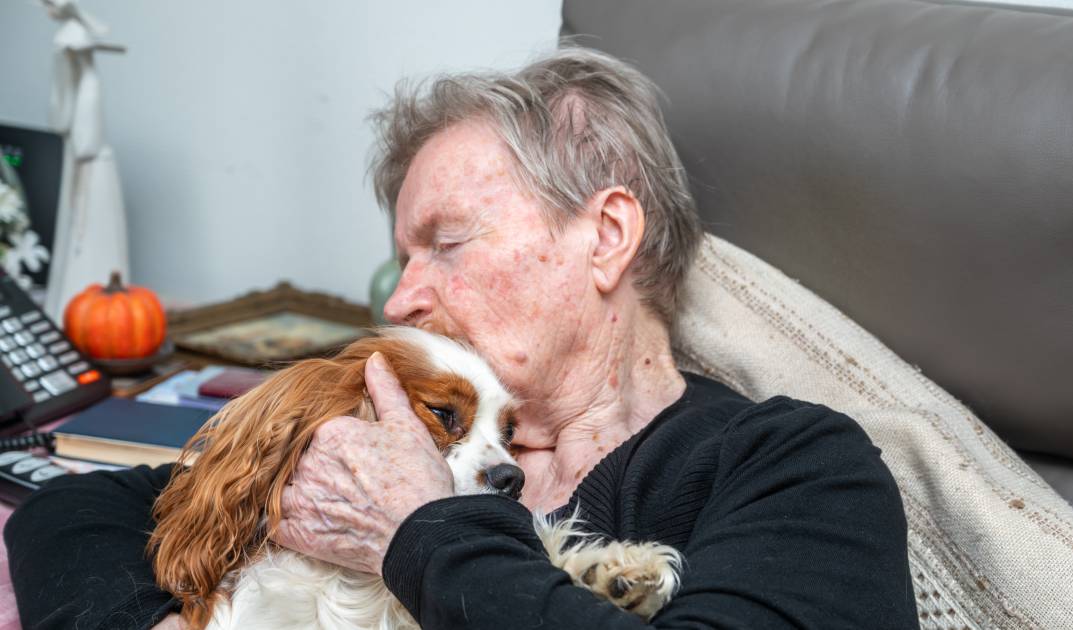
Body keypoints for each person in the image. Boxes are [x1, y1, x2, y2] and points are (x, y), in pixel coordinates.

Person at [5, 47, 918, 629]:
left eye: (444, 243)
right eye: (400, 257)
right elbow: (67, 515)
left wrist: (414, 531)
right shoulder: (392, 430)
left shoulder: (792, 462)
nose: (402, 298)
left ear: (604, 237)